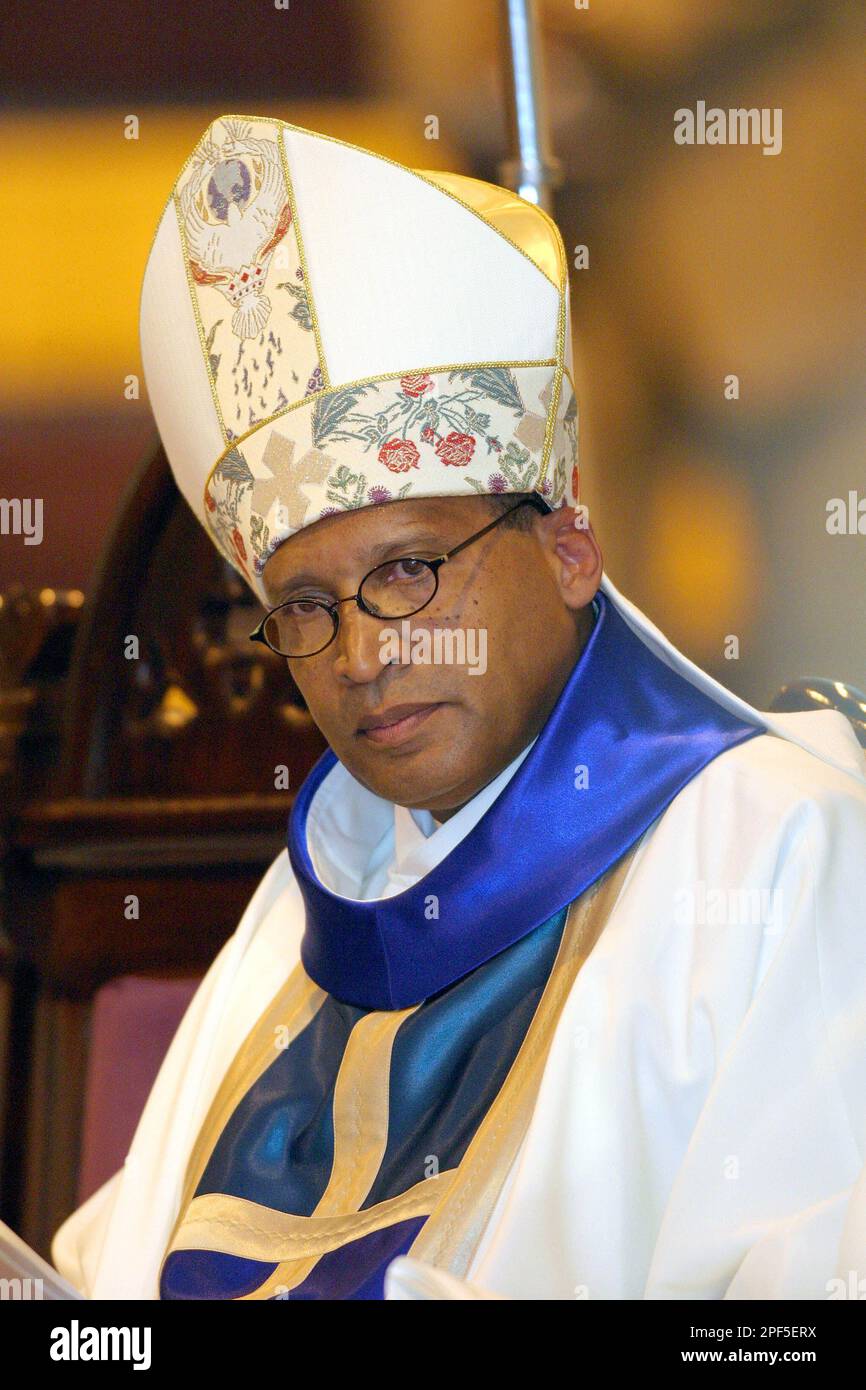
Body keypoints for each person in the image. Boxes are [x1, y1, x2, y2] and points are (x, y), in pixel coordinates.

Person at [52, 115, 866, 1300]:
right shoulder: (315, 891)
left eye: (405, 572)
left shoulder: (780, 851)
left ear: (570, 549)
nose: (363, 657)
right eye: (304, 608)